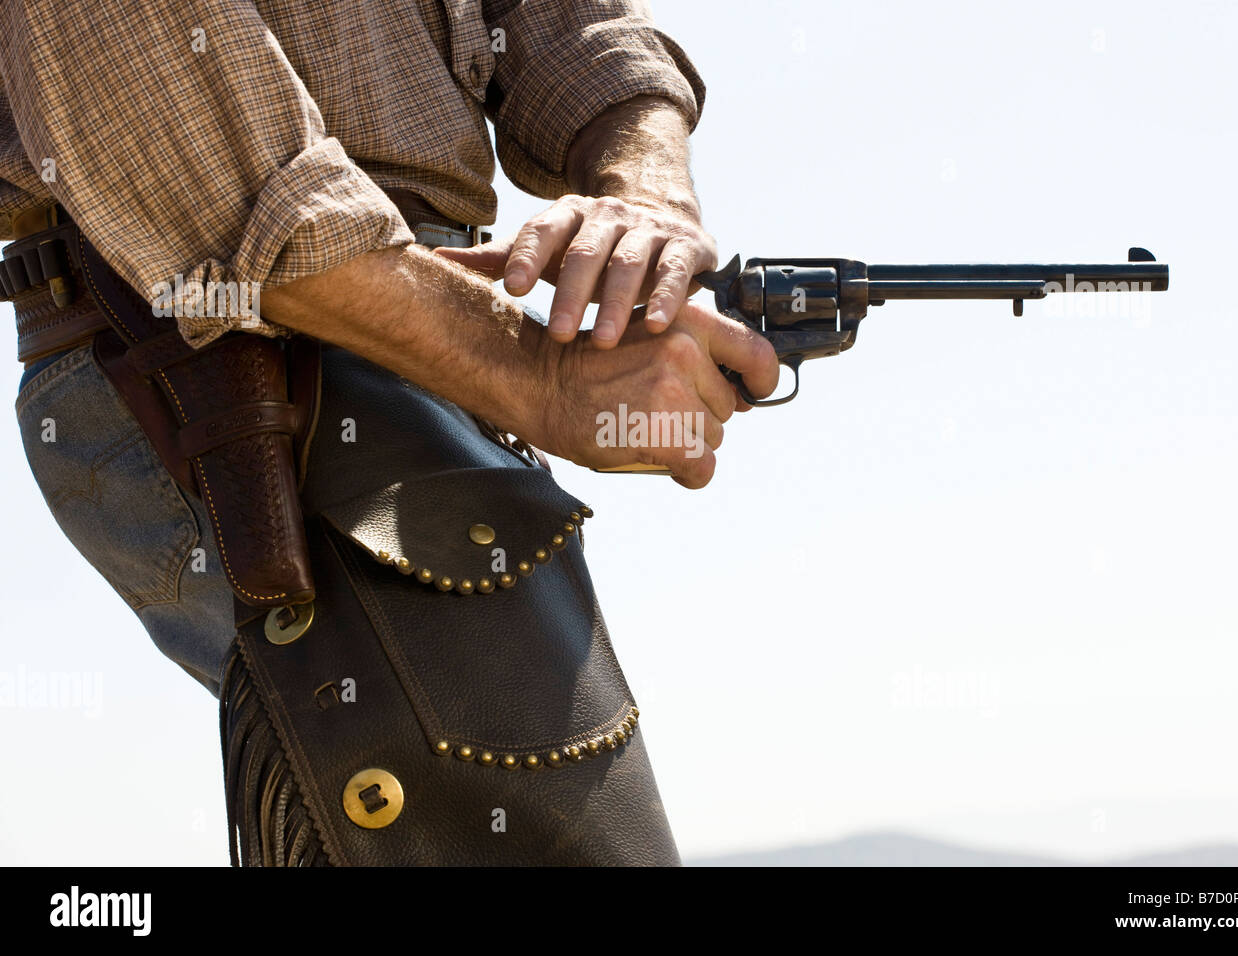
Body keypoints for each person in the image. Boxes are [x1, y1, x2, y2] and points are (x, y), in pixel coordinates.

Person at [1, 1, 777, 865]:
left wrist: (645, 194)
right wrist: (536, 376)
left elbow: (565, 21)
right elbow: (153, 100)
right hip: (233, 342)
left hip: (396, 336)